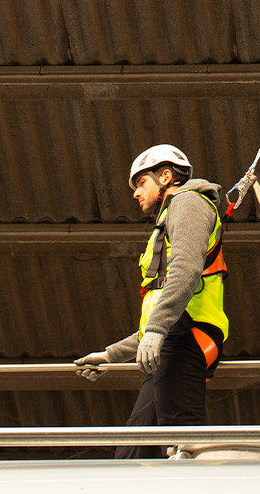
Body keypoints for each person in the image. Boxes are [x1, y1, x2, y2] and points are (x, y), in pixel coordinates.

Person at [73, 143, 230, 457]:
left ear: (167, 177)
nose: (135, 193)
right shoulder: (174, 213)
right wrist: (111, 355)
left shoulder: (187, 203)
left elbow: (185, 270)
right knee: (134, 450)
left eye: (141, 182)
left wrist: (158, 331)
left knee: (181, 445)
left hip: (184, 336)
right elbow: (157, 313)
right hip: (173, 337)